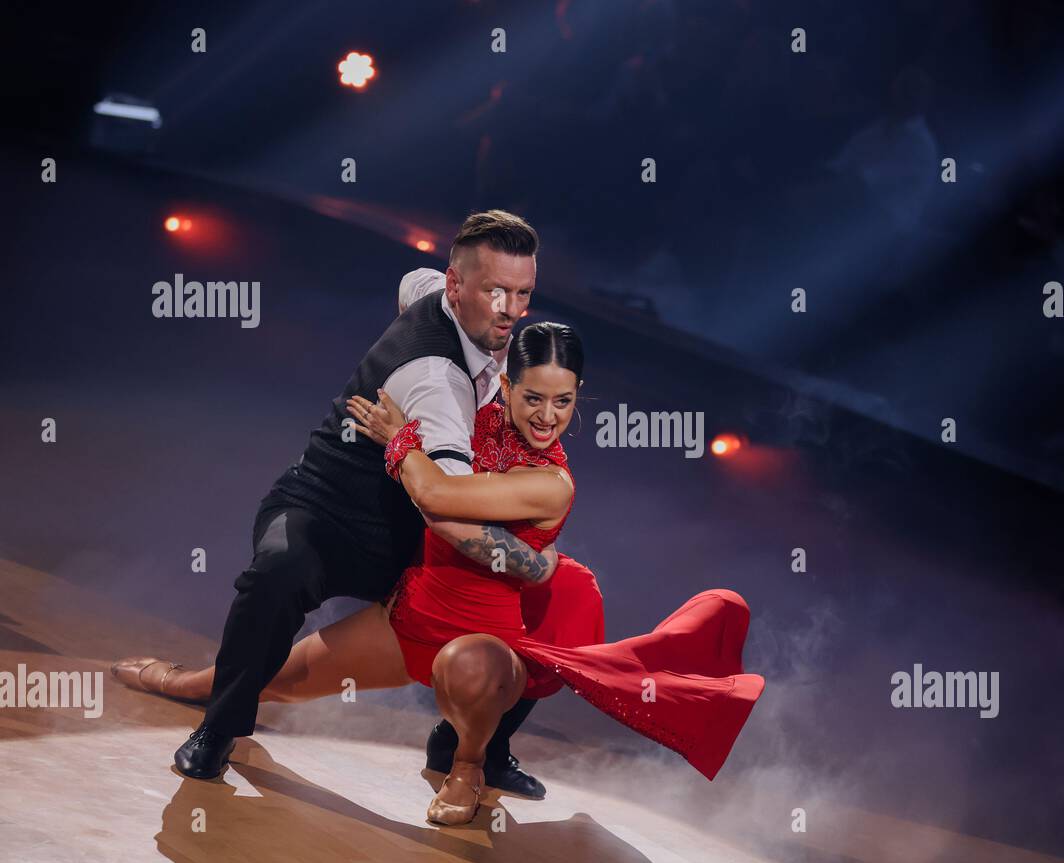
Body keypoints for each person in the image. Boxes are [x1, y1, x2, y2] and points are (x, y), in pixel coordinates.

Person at [118, 322, 764, 826]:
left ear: (578, 401)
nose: (547, 415)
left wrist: (403, 442)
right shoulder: (463, 415)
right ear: (503, 387)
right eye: (533, 397)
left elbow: (440, 503)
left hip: (484, 642)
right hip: (408, 620)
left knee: (470, 669)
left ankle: (467, 766)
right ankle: (193, 685)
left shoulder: (550, 483)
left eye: (563, 402)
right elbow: (424, 300)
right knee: (274, 681)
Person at [158, 210, 566, 793]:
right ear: (458, 287)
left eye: (522, 293)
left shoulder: (441, 296)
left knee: (562, 602)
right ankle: (220, 727)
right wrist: (533, 559)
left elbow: (410, 282)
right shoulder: (435, 380)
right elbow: (450, 506)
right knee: (278, 572)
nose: (509, 310)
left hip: (405, 545)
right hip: (326, 512)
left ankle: (474, 749)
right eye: (495, 291)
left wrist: (546, 575)